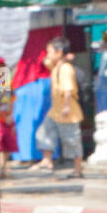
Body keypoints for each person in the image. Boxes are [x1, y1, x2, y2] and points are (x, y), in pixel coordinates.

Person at [34, 37, 84, 178]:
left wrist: (67, 107)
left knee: (72, 141)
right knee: (43, 133)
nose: (47, 54)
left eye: (50, 51)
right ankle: (47, 160)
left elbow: (68, 90)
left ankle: (78, 169)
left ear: (59, 52)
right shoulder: (56, 66)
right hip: (55, 111)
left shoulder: (65, 69)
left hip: (67, 111)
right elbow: (46, 62)